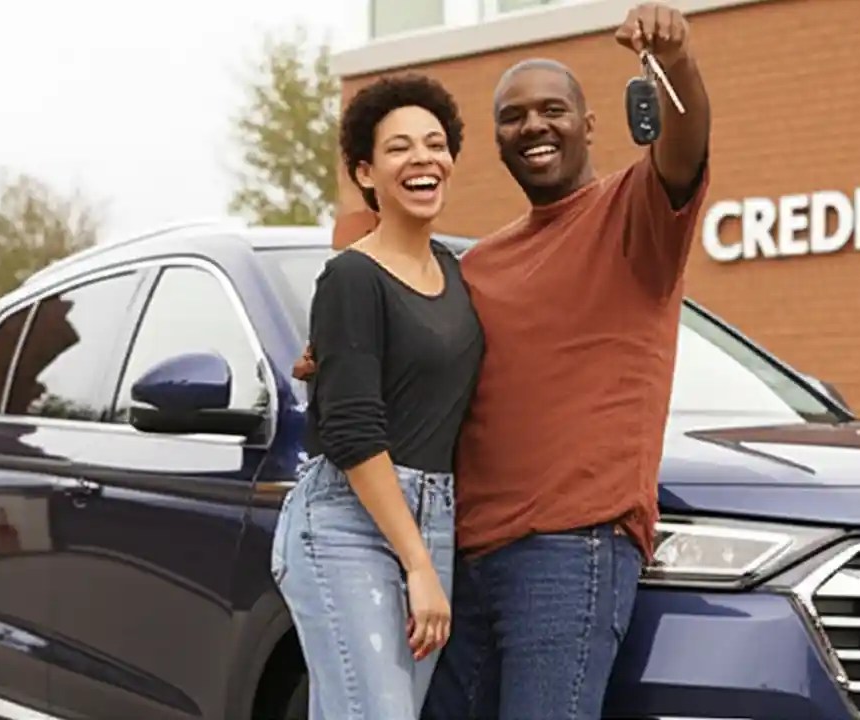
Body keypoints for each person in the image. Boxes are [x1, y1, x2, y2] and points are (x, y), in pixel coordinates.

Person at [419, 3, 712, 718]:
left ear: (589, 125)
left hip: (567, 553)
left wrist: (673, 61)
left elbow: (685, 143)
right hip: (461, 560)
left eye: (553, 110)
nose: (533, 127)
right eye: (513, 117)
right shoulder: (478, 264)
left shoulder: (633, 212)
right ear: (497, 140)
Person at [269, 73, 484, 720]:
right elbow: (356, 431)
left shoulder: (457, 272)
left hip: (435, 512)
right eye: (398, 148)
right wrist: (417, 563)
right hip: (346, 523)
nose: (422, 158)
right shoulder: (350, 278)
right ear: (366, 172)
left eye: (435, 143)